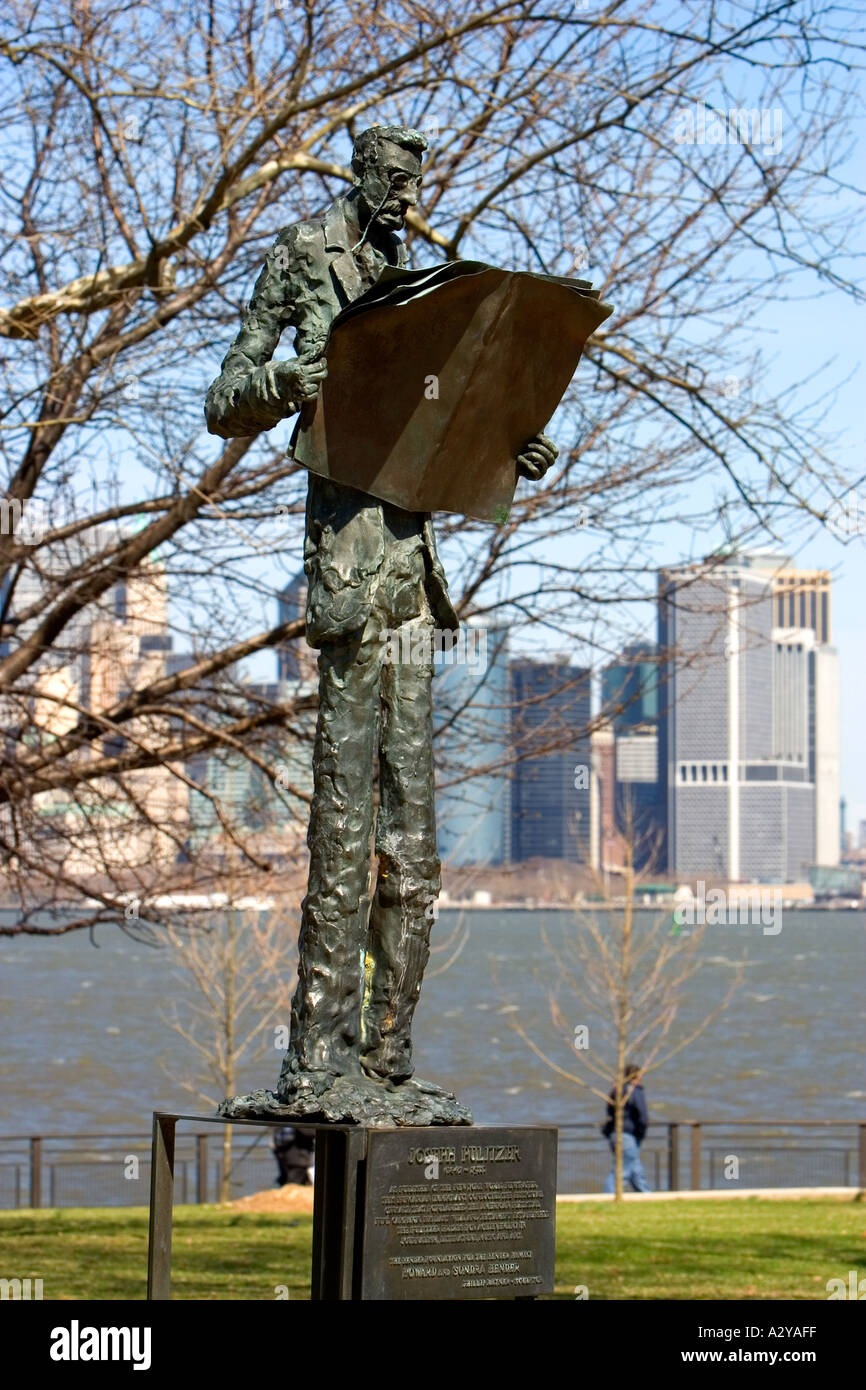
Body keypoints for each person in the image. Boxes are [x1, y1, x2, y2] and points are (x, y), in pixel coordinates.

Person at [206, 124, 557, 1120]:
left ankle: (388, 1060)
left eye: (416, 183)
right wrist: (281, 384)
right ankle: (316, 1064)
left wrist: (514, 444)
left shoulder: (419, 283)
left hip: (412, 583)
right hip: (350, 575)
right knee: (342, 825)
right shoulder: (301, 255)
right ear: (361, 172)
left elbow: (443, 419)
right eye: (396, 180)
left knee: (413, 840)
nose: (407, 197)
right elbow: (223, 398)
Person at [602, 1062, 651, 1193]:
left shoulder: (617, 1090)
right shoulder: (635, 1091)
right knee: (621, 1172)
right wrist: (640, 1135)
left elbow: (609, 1111)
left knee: (636, 1170)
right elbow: (643, 1117)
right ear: (636, 1076)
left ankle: (646, 1195)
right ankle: (608, 1196)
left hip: (615, 1134)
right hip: (628, 1136)